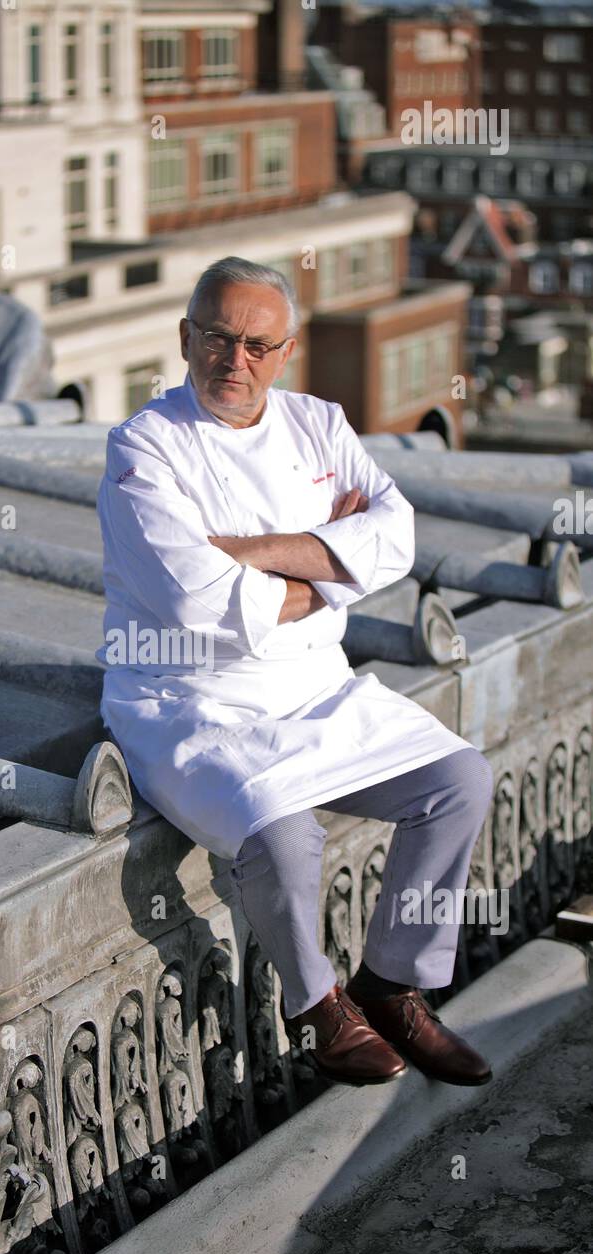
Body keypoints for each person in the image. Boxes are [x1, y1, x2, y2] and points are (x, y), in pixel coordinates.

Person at [95, 256, 494, 1088]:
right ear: (185, 338)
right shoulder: (144, 447)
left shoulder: (319, 425)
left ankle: (392, 983)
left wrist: (250, 554)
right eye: (215, 337)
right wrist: (330, 564)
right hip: (188, 700)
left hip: (317, 682)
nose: (232, 360)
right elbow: (195, 600)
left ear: (285, 351)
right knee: (281, 829)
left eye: (254, 343)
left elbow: (397, 539)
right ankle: (317, 1005)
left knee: (460, 779)